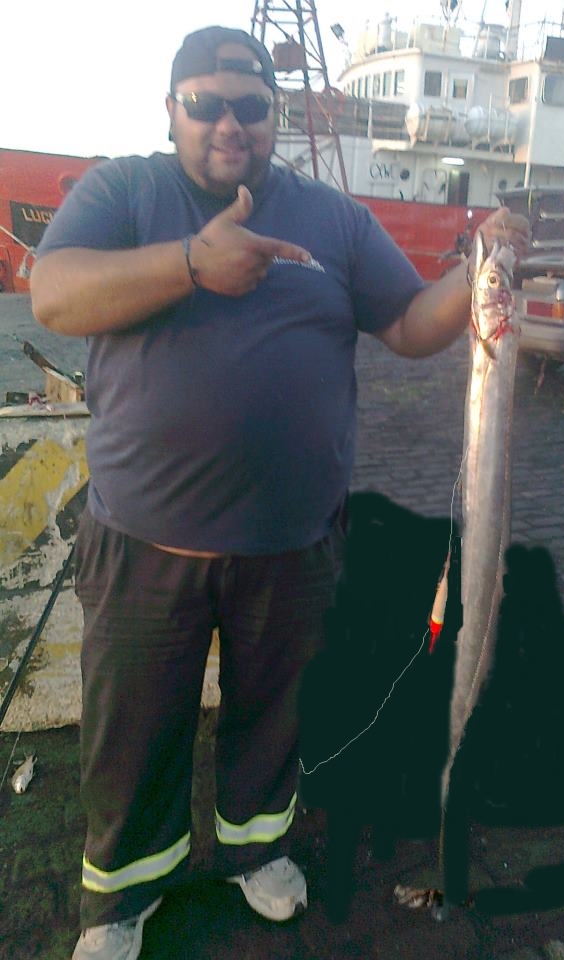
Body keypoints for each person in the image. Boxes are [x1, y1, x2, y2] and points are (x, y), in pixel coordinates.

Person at [30, 24, 529, 960]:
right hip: (144, 545)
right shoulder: (125, 190)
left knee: (274, 719)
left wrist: (479, 267)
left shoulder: (335, 218)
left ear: (277, 115)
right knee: (132, 733)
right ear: (171, 109)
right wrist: (191, 262)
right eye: (206, 104)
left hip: (292, 547)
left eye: (251, 107)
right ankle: (121, 898)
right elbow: (52, 292)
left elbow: (411, 326)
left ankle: (258, 850)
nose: (229, 124)